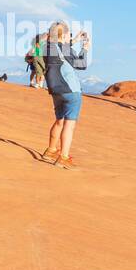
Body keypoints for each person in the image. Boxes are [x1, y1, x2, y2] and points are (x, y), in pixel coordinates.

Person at [40, 22, 91, 168]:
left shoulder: (46, 48)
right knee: (69, 124)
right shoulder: (64, 48)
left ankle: (50, 151)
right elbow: (81, 64)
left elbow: (58, 49)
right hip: (71, 90)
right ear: (64, 35)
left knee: (59, 121)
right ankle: (63, 157)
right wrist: (85, 49)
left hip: (55, 90)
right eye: (68, 34)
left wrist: (74, 40)